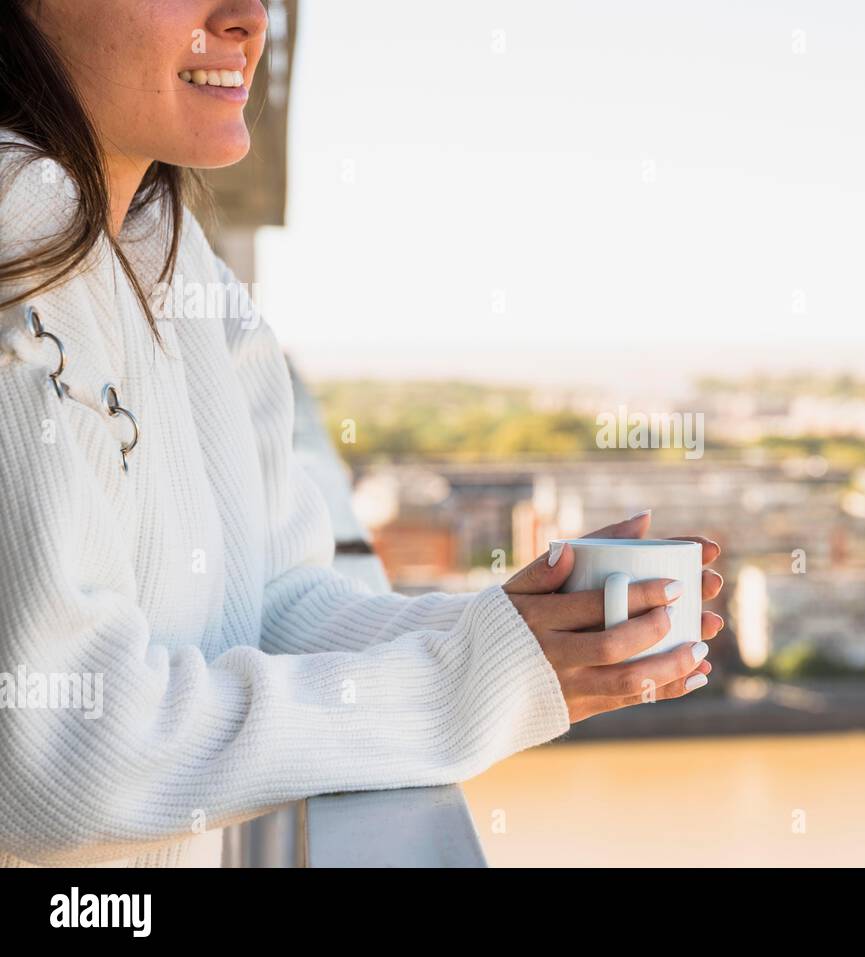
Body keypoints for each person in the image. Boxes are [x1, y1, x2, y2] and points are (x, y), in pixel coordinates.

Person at [0, 0, 723, 867]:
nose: (246, 17)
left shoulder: (173, 252)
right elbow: (60, 749)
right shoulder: (19, 236)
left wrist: (514, 633)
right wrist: (464, 687)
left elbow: (278, 607)